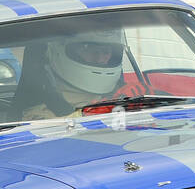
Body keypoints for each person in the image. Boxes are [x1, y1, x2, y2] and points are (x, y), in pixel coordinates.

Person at [16, 29, 144, 120]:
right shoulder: (38, 113)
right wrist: (92, 114)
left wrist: (148, 104)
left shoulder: (125, 94)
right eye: (88, 48)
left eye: (106, 51)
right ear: (57, 52)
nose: (100, 59)